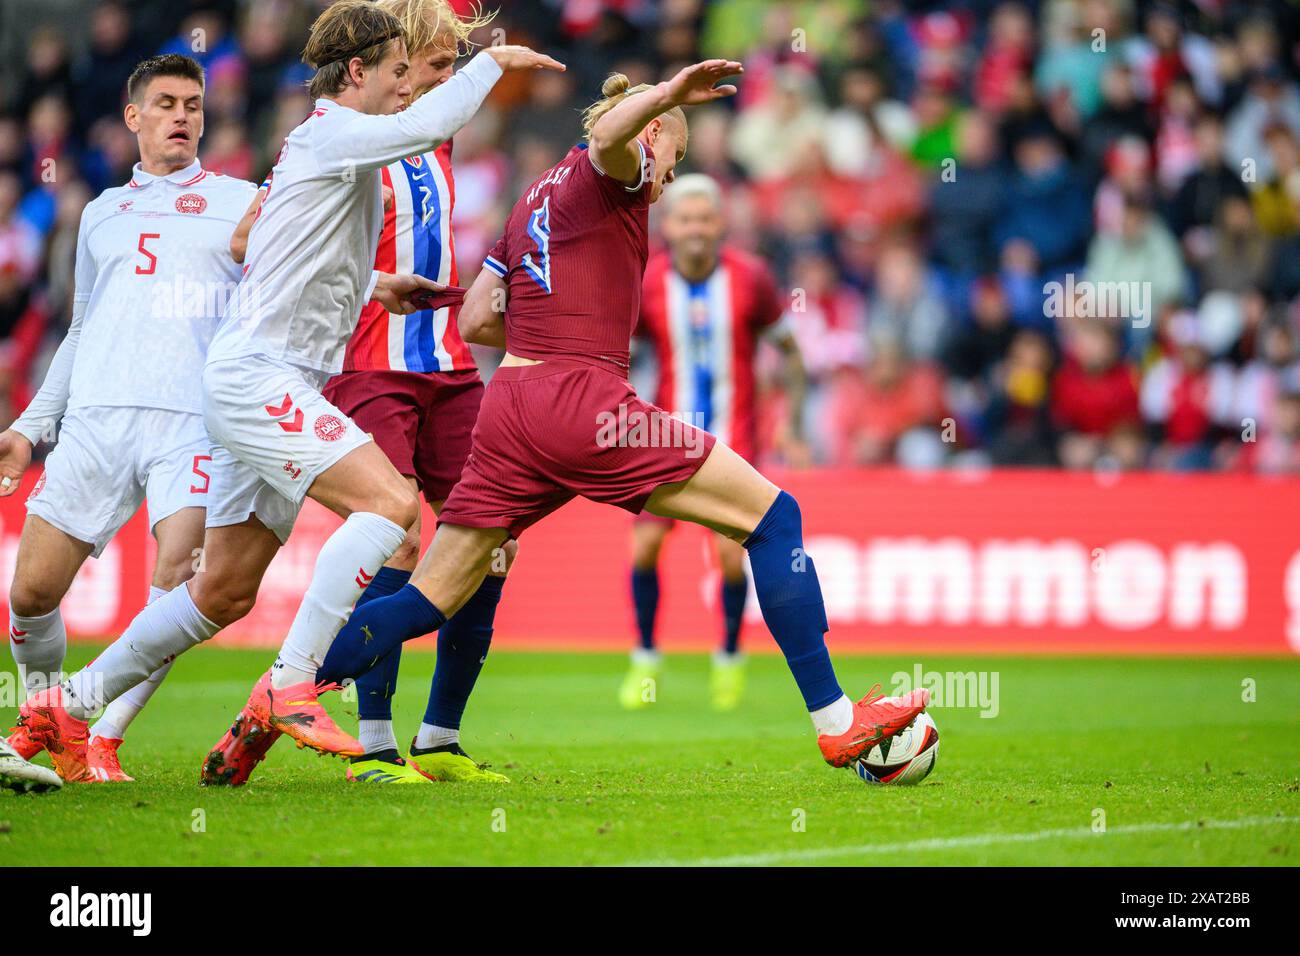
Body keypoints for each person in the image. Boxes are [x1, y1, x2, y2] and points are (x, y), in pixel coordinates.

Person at [316, 61, 930, 776]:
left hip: (510, 408)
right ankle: (836, 720)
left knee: (429, 595)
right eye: (676, 155)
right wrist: (666, 96)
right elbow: (613, 137)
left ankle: (286, 681)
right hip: (588, 407)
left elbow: (481, 317)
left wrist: (548, 333)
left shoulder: (531, 199)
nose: (668, 178)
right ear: (657, 134)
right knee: (774, 516)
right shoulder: (619, 166)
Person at [15, 0, 562, 784]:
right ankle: (291, 680)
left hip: (260, 378)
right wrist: (491, 64)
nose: (409, 89)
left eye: (420, 74)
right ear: (360, 73)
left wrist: (377, 286)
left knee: (224, 591)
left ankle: (61, 709)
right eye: (401, 73)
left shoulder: (325, 148)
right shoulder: (337, 129)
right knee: (392, 508)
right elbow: (415, 129)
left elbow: (266, 247)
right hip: (259, 377)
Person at [228, 0, 514, 787]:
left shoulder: (433, 137)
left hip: (449, 365)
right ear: (395, 69)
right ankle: (376, 747)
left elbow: (440, 31)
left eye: (453, 68)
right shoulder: (346, 139)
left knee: (492, 542)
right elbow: (249, 236)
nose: (446, 79)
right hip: (369, 363)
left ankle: (440, 739)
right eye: (434, 67)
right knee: (401, 540)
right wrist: (368, 286)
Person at [1, 53, 258, 782]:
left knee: (180, 578)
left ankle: (102, 732)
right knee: (30, 594)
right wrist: (28, 428)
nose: (183, 116)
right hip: (98, 419)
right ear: (132, 116)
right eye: (168, 103)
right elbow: (81, 328)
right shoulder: (100, 213)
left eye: (195, 106)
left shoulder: (243, 201)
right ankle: (45, 723)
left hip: (194, 423)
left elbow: (297, 276)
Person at [621, 172, 806, 712]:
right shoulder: (648, 282)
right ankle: (645, 658)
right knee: (646, 546)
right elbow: (617, 350)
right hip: (662, 439)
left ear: (721, 223)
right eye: (686, 218)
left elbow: (790, 353)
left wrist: (791, 422)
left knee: (729, 559)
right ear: (669, 226)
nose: (696, 227)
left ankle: (728, 658)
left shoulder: (751, 278)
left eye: (705, 217)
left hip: (735, 438)